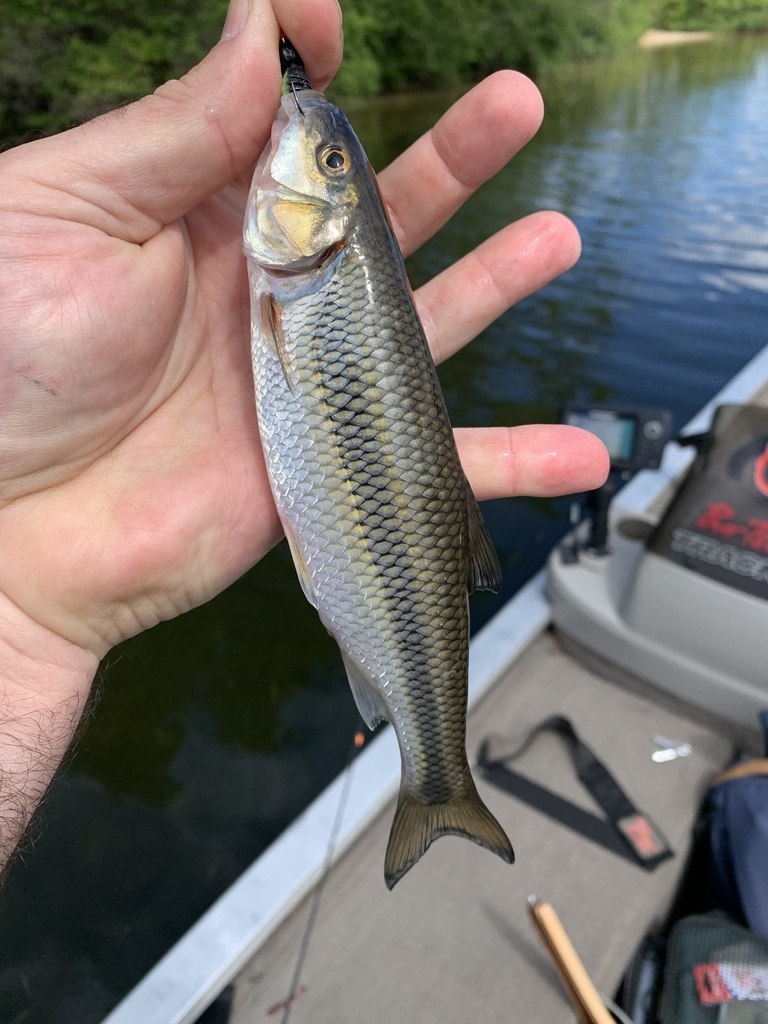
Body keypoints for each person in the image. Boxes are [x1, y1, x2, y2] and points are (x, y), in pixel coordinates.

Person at [0, 0, 608, 876]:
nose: (308, 151)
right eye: (334, 160)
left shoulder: (302, 281)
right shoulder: (297, 278)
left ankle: (436, 782)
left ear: (332, 217)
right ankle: (439, 781)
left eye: (325, 162)